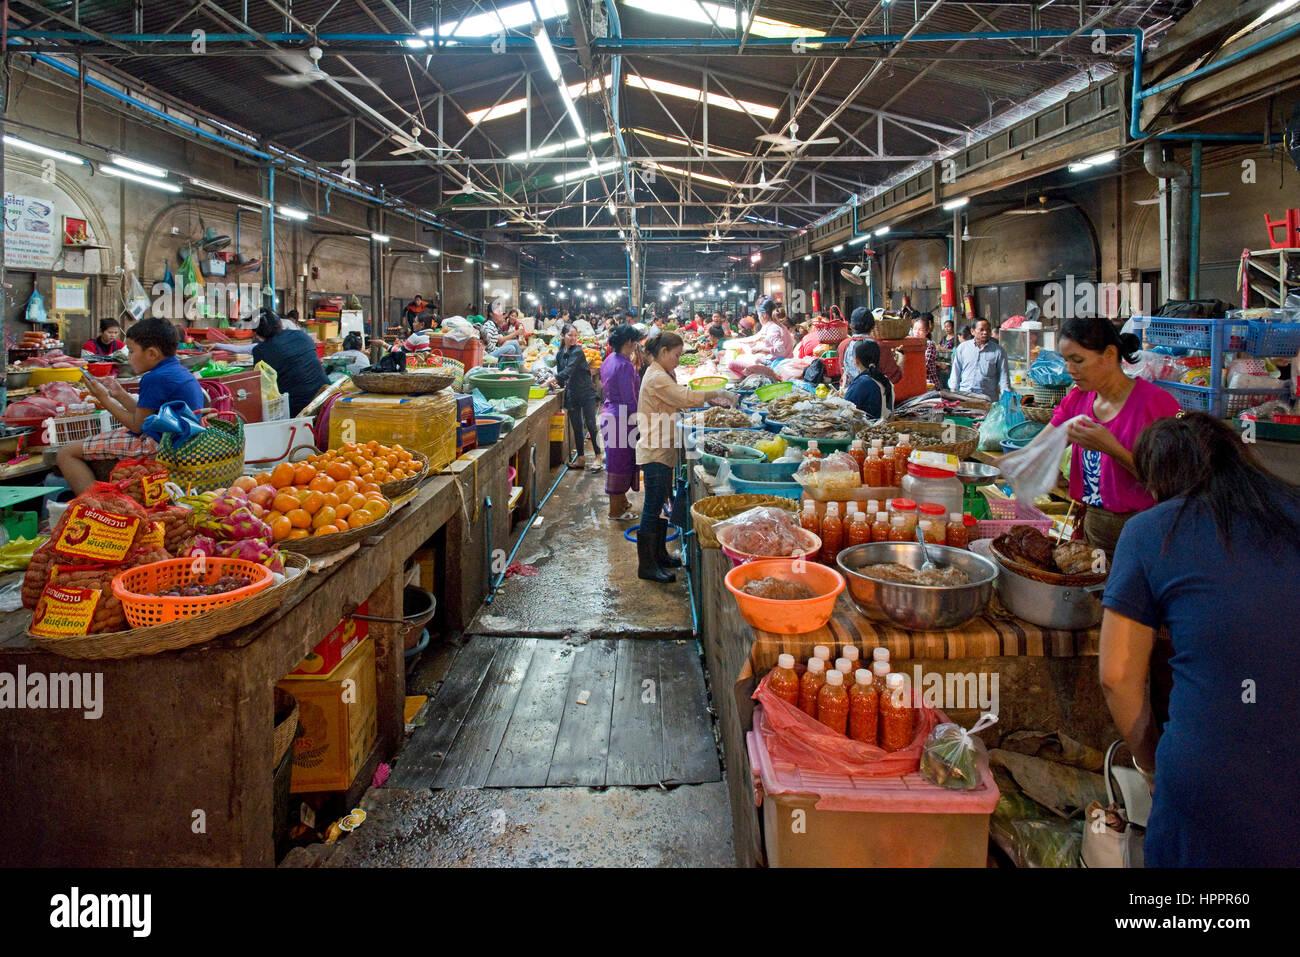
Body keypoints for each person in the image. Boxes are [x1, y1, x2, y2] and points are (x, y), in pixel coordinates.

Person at [1099, 413, 1300, 867]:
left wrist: (1151, 765)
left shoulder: (1153, 530)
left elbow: (1116, 676)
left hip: (1212, 779)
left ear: (1158, 482)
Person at [1031, 317, 1180, 558]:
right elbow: (1040, 447)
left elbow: (1171, 487)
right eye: (1066, 360)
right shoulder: (1078, 399)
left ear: (1110, 354)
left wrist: (1112, 448)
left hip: (1142, 536)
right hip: (1093, 528)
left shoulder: (1157, 405)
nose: (1069, 370)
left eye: (1077, 360)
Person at [58, 318, 205, 494]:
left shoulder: (155, 378)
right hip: (177, 440)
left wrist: (103, 398)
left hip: (159, 444)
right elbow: (147, 415)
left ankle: (93, 505)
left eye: (132, 351)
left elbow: (137, 425)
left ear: (152, 353)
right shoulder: (176, 370)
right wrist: (119, 394)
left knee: (66, 453)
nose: (128, 357)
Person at [635, 331, 732, 583]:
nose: (678, 359)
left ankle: (659, 555)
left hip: (662, 448)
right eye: (676, 355)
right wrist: (717, 392)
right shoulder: (656, 376)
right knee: (652, 509)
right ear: (664, 351)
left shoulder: (660, 373)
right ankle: (646, 565)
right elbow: (684, 396)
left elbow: (678, 399)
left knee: (657, 508)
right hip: (655, 450)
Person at [248, 308, 330, 417]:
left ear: (257, 333)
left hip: (297, 409)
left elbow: (263, 383)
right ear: (281, 323)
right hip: (326, 397)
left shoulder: (261, 351)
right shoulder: (301, 335)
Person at [600, 324, 645, 520]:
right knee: (620, 464)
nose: (636, 345)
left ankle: (621, 502)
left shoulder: (610, 359)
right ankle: (615, 511)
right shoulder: (625, 366)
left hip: (610, 414)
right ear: (628, 342)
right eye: (634, 341)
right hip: (622, 419)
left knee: (617, 461)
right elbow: (630, 398)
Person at [554, 323, 602, 471]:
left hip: (586, 392)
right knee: (577, 427)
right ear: (563, 336)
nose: (573, 338)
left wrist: (552, 379)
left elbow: (568, 370)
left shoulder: (578, 352)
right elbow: (562, 377)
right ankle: (581, 458)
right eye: (570, 335)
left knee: (591, 425)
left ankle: (598, 456)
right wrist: (556, 385)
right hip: (572, 394)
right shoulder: (559, 354)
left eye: (575, 335)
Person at [839, 306, 902, 389]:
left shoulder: (843, 345)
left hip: (847, 395)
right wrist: (901, 361)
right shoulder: (880, 346)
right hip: (874, 397)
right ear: (873, 326)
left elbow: (843, 373)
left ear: (851, 326)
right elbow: (893, 377)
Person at [947, 318, 1010, 400]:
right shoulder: (963, 348)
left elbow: (1004, 377)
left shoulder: (998, 351)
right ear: (972, 331)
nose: (985, 332)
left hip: (987, 398)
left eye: (988, 330)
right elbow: (956, 371)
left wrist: (1007, 398)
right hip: (965, 395)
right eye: (981, 330)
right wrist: (953, 390)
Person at [844, 339, 894, 419]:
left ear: (856, 360)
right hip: (884, 428)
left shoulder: (862, 383)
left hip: (869, 429)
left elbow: (845, 410)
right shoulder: (885, 380)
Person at [911, 316, 939, 387]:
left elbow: (924, 365)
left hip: (930, 383)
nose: (916, 332)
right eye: (915, 329)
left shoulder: (930, 344)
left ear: (927, 331)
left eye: (920, 330)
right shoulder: (912, 344)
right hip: (916, 382)